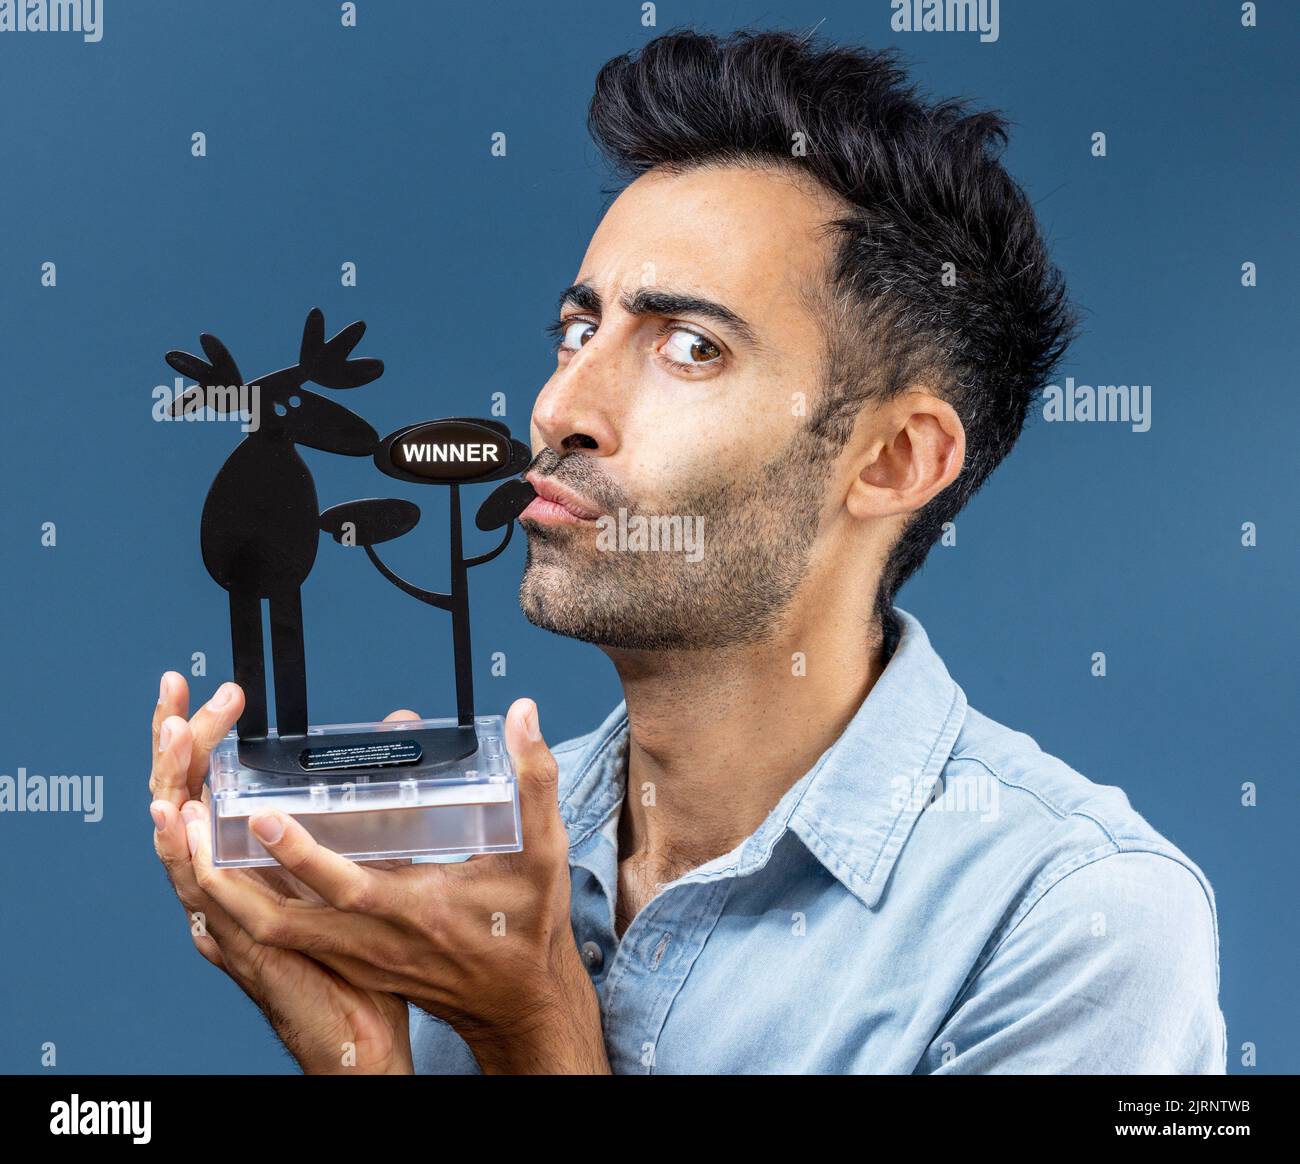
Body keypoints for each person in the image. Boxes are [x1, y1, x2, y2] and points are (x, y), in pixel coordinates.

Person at [148, 29, 1225, 1074]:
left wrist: (531, 1031)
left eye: (690, 348)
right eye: (579, 331)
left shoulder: (1077, 919)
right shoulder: (458, 863)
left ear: (896, 459)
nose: (559, 407)